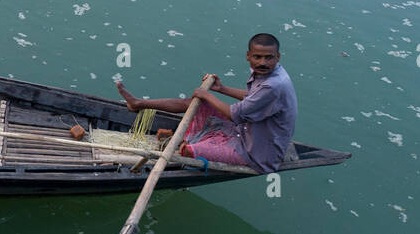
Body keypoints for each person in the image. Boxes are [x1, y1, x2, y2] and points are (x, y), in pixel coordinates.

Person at [114, 33, 297, 173]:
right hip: (246, 132)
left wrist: (207, 95)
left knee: (188, 151)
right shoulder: (268, 73)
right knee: (194, 103)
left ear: (278, 57)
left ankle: (187, 144)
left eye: (269, 58)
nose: (263, 62)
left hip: (256, 153)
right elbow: (252, 96)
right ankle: (137, 103)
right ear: (248, 56)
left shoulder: (273, 85)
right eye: (258, 57)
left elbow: (236, 114)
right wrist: (221, 88)